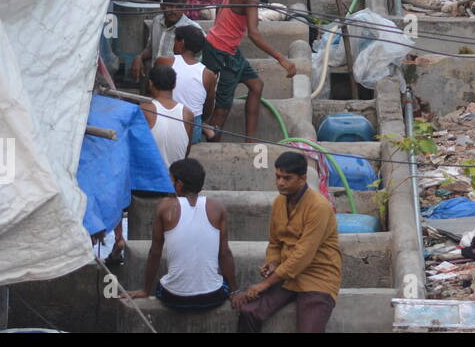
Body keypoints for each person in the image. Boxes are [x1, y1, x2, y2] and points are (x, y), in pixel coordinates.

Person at [233, 150, 342, 333]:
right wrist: (272, 262)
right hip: (287, 277)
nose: (280, 183)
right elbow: (275, 242)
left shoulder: (318, 207)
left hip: (318, 277)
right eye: (277, 177)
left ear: (302, 178)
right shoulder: (278, 203)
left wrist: (265, 284)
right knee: (248, 311)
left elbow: (302, 255)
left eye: (287, 178)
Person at [201, 0, 298, 141]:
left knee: (256, 85)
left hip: (224, 47)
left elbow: (222, 6)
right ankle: (212, 147)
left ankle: (250, 140)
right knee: (222, 107)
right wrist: (282, 59)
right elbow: (254, 34)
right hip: (223, 51)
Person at [129, 158, 236, 310]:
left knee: (164, 284)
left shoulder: (165, 207)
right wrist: (234, 291)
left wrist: (146, 290)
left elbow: (155, 252)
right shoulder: (217, 207)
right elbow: (224, 253)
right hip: (213, 297)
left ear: (179, 185)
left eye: (171, 180)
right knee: (221, 284)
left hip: (174, 298)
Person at [134, 0, 196, 87]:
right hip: (155, 80)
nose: (174, 11)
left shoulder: (191, 29)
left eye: (178, 7)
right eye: (170, 6)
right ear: (162, 7)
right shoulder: (156, 22)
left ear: (184, 8)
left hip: (178, 83)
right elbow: (152, 48)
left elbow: (199, 60)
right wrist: (139, 57)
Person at [167, 26, 217, 144]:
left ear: (182, 42)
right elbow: (208, 108)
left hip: (168, 122)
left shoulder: (166, 62)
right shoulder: (208, 75)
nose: (174, 44)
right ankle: (205, 128)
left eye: (175, 40)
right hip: (193, 128)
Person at [142, 64, 194, 167]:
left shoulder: (144, 110)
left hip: (152, 177)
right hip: (176, 179)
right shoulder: (187, 114)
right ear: (174, 84)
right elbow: (186, 152)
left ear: (150, 83)